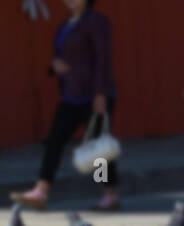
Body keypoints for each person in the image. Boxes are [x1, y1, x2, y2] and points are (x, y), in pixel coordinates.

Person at [10, 0, 120, 211]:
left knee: (99, 148)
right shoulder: (66, 24)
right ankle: (41, 190)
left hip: (93, 93)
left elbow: (103, 58)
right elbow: (63, 56)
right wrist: (54, 65)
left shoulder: (96, 21)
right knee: (55, 140)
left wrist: (100, 93)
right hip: (71, 94)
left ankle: (110, 193)